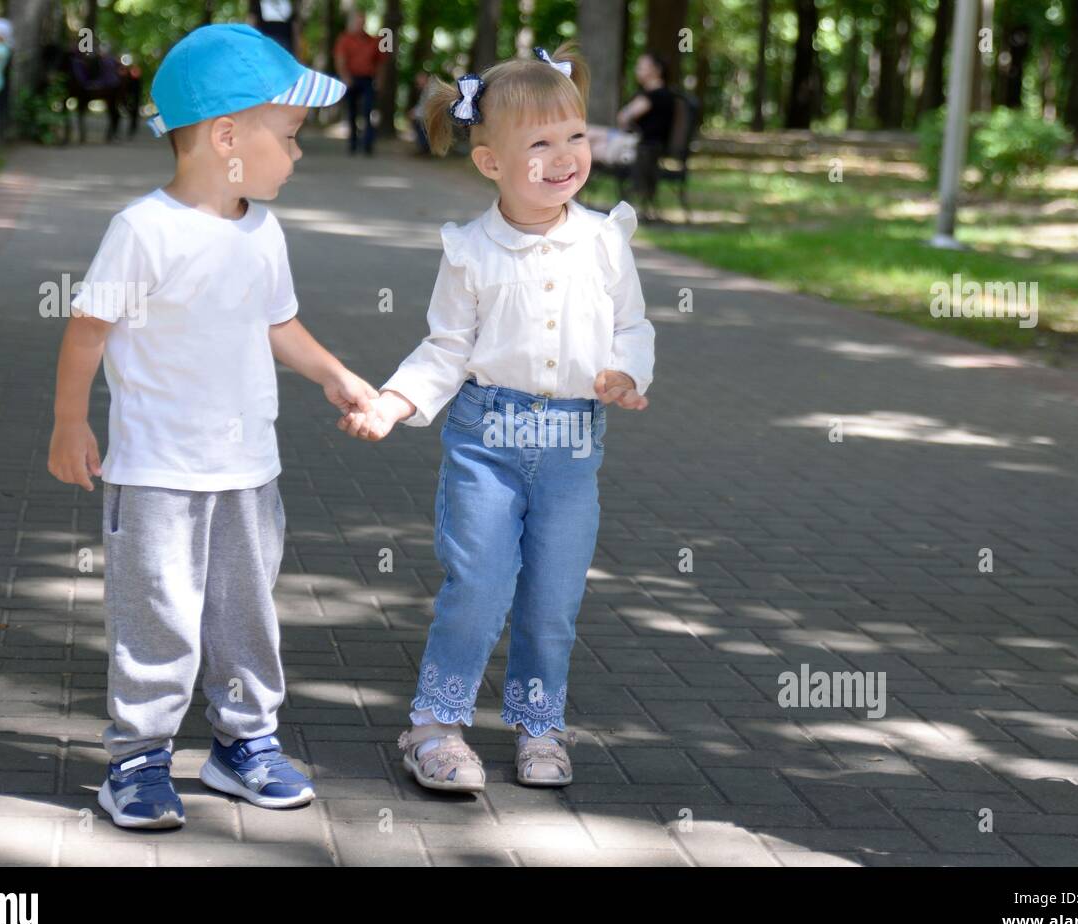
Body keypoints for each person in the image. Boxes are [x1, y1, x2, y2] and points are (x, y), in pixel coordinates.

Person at [47, 24, 375, 829]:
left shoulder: (262, 231)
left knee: (245, 611)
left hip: (247, 471)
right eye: (290, 136)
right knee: (156, 613)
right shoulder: (143, 231)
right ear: (227, 136)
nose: (298, 155)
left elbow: (277, 324)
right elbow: (88, 328)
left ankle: (243, 744)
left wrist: (334, 374)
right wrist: (68, 423)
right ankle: (137, 757)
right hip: (156, 469)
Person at [338, 43, 655, 791]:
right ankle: (435, 725)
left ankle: (539, 725)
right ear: (490, 163)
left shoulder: (607, 240)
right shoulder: (471, 251)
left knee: (553, 596)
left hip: (574, 444)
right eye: (538, 143)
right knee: (479, 583)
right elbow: (447, 347)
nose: (563, 156)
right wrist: (395, 399)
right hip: (487, 438)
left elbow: (633, 327)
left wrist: (626, 373)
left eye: (575, 136)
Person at [587, 52, 675, 210]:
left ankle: (573, 201)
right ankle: (574, 202)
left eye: (641, 67)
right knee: (585, 136)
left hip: (638, 149)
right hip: (639, 146)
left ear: (656, 70)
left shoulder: (653, 96)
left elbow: (623, 117)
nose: (637, 70)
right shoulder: (662, 94)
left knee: (584, 146)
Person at [333, 10, 385, 155]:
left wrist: (379, 80)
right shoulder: (345, 39)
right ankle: (353, 143)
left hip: (367, 79)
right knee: (352, 112)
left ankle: (368, 144)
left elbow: (380, 63)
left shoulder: (373, 41)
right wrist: (345, 77)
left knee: (368, 111)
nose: (360, 25)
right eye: (357, 22)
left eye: (362, 22)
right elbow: (340, 59)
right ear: (353, 23)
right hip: (351, 79)